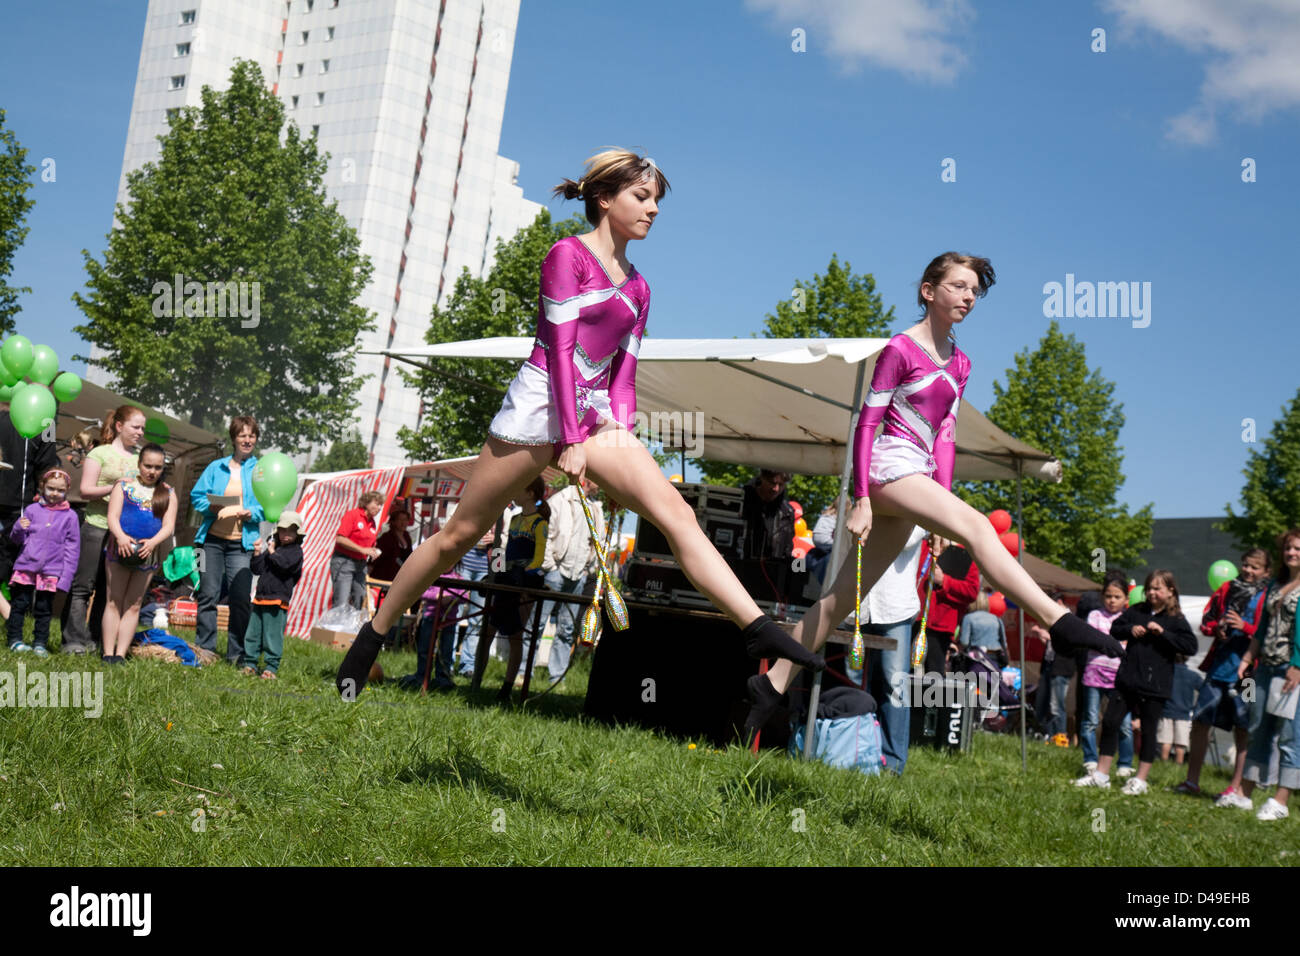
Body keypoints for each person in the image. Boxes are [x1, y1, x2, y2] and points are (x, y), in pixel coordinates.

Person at [337, 149, 823, 702]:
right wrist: (569, 441)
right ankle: (371, 638)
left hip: (594, 414)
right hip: (541, 404)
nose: (654, 209)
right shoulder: (566, 256)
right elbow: (563, 353)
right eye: (642, 197)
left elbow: (623, 380)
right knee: (459, 536)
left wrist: (621, 453)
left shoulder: (639, 288)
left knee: (676, 512)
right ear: (603, 198)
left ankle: (757, 630)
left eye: (658, 199)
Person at [744, 252, 1123, 737]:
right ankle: (1058, 619)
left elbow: (946, 437)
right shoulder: (900, 349)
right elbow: (867, 422)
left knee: (841, 598)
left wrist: (937, 518)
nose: (967, 297)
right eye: (958, 286)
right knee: (981, 527)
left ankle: (772, 683)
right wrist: (860, 496)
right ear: (928, 291)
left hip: (916, 476)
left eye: (973, 291)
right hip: (886, 466)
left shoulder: (961, 363)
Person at [1076, 570, 1197, 793]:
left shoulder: (1176, 619)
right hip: (1128, 678)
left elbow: (1190, 646)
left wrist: (1163, 634)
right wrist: (1130, 629)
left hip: (1156, 684)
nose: (1151, 592)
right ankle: (1101, 774)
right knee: (1111, 722)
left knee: (1149, 730)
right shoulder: (1136, 611)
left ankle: (1140, 779)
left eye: (1157, 588)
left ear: (1170, 591)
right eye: (1149, 588)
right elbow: (1115, 629)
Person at [1176, 548, 1271, 802]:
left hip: (1248, 674)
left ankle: (1235, 787)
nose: (1249, 571)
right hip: (1219, 668)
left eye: (1255, 567)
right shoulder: (1226, 589)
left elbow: (1269, 634)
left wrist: (1246, 627)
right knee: (1201, 721)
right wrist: (1215, 629)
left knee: (1244, 728)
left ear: (1266, 571)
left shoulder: (1268, 595)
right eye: (1246, 565)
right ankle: (1191, 781)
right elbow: (1207, 619)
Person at [844, 523, 925, 774]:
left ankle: (892, 761)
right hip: (857, 603)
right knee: (853, 681)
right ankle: (850, 751)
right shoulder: (863, 502)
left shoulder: (917, 512)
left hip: (895, 606)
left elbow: (904, 537)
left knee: (894, 686)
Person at [65, 406, 144, 654]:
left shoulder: (140, 459)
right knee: (83, 586)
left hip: (123, 533)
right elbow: (85, 490)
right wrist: (116, 486)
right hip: (96, 527)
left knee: (109, 591)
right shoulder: (100, 453)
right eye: (136, 427)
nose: (140, 432)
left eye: (143, 428)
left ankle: (96, 639)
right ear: (120, 426)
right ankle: (74, 641)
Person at [1235, 528, 1300, 820]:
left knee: (1289, 735)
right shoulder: (1276, 584)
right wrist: (1249, 656)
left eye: (1298, 548)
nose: (1292, 553)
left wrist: (1298, 666)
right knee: (1257, 727)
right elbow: (1261, 627)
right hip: (1267, 667)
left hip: (1291, 669)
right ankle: (1244, 794)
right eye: (1288, 548)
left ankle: (1281, 801)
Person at [191, 416, 264, 662]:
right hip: (210, 542)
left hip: (241, 545)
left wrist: (251, 512)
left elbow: (270, 507)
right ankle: (204, 650)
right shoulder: (216, 467)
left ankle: (237, 655)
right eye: (242, 435)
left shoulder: (260, 471)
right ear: (233, 438)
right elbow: (197, 497)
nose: (247, 440)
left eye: (251, 435)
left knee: (241, 599)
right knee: (208, 595)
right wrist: (212, 507)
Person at [103, 444, 177, 663]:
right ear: (139, 464)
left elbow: (168, 526)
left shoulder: (168, 493)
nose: (152, 471)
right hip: (119, 549)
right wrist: (121, 537)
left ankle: (121, 653)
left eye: (157, 467)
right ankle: (108, 652)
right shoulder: (123, 486)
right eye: (147, 466)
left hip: (148, 553)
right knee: (114, 601)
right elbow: (112, 516)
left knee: (134, 604)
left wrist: (153, 543)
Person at [6, 468, 79, 656]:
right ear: (42, 487)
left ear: (67, 490)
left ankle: (40, 643)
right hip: (26, 566)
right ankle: (14, 639)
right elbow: (17, 539)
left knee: (44, 609)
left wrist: (65, 578)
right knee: (19, 605)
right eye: (51, 488)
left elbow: (73, 550)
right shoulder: (31, 510)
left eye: (60, 490)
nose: (55, 493)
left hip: (51, 570)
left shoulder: (70, 516)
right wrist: (18, 528)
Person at [538, 477, 604, 683]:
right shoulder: (560, 500)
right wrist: (550, 566)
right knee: (538, 624)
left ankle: (557, 676)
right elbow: (545, 533)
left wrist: (588, 568)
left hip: (578, 576)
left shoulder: (595, 509)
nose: (600, 484)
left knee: (566, 629)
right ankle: (523, 671)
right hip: (556, 571)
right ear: (587, 480)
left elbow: (598, 540)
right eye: (597, 479)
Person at [491, 476, 550, 701]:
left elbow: (539, 558)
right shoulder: (514, 519)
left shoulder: (540, 524)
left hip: (524, 583)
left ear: (530, 493)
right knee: (489, 629)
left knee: (516, 634)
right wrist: (497, 569)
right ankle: (477, 678)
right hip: (507, 579)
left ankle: (507, 687)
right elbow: (502, 549)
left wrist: (523, 573)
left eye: (520, 487)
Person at [0, 405, 61, 621]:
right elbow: (48, 462)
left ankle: (14, 618)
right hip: (21, 502)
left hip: (19, 501)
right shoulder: (48, 422)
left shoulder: (47, 423)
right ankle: (14, 616)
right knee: (14, 559)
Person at [1078, 572, 1134, 776]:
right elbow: (1092, 638)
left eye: (1117, 597)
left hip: (1119, 677)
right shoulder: (1094, 616)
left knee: (1124, 723)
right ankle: (1090, 759)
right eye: (1108, 596)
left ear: (1126, 599)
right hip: (1093, 674)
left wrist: (1109, 643)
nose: (1112, 600)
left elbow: (1126, 645)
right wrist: (1115, 645)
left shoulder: (1128, 620)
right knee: (1091, 719)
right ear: (1103, 596)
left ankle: (1125, 763)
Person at [239, 511, 305, 679]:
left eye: (291, 531)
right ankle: (250, 663)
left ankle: (271, 667)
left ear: (297, 533)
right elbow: (257, 569)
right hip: (260, 598)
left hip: (277, 600)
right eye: (283, 530)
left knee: (272, 635)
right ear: (277, 532)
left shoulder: (296, 552)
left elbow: (285, 565)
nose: (286, 535)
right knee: (253, 633)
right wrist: (257, 553)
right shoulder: (273, 549)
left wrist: (272, 552)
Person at [916, 535, 979, 674]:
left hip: (939, 627)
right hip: (911, 618)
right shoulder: (922, 545)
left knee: (933, 676)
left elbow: (972, 591)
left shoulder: (964, 554)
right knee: (901, 674)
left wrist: (944, 580)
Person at [330, 491, 384, 611]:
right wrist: (362, 549)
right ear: (366, 502)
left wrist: (372, 550)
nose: (379, 508)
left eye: (381, 505)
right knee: (341, 601)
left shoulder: (372, 523)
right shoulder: (353, 515)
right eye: (377, 503)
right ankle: (335, 627)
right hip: (344, 561)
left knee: (360, 599)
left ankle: (352, 628)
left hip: (360, 564)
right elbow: (340, 538)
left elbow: (367, 543)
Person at [453, 525, 494, 677]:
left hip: (485, 570)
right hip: (462, 565)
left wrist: (498, 540)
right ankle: (447, 662)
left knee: (477, 619)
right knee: (453, 615)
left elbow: (504, 546)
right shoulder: (473, 505)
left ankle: (467, 666)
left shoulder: (504, 514)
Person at [741, 469, 795, 560]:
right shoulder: (741, 503)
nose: (776, 489)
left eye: (781, 485)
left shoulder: (787, 512)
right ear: (762, 478)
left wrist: (799, 569)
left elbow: (787, 552)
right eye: (772, 483)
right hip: (735, 567)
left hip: (771, 571)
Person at [1158, 657, 1201, 763]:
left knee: (1165, 742)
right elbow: (1204, 690)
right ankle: (1178, 766)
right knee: (1180, 745)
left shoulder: (1165, 673)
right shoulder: (1193, 676)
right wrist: (1196, 707)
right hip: (1184, 713)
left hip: (1166, 711)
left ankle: (1163, 764)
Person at [958, 591, 1007, 659]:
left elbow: (964, 642)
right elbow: (1004, 643)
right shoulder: (997, 619)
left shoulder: (968, 618)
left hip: (975, 656)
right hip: (995, 657)